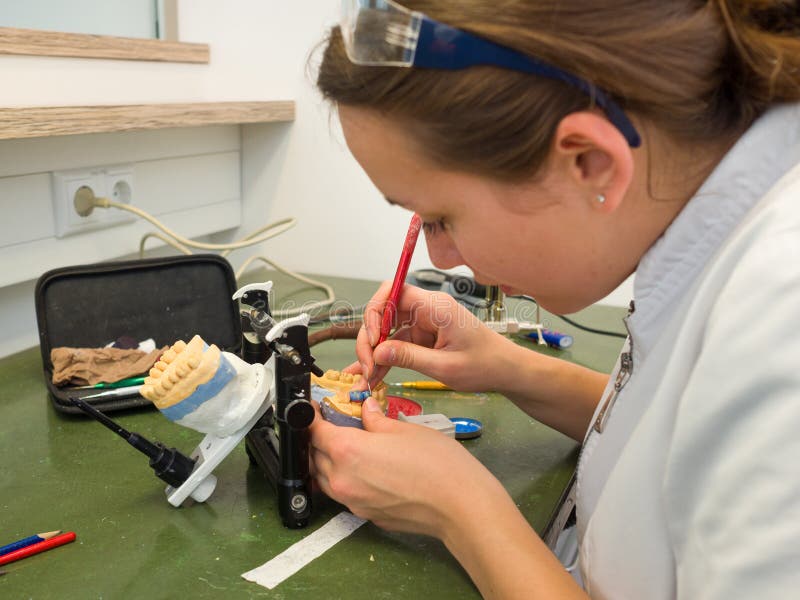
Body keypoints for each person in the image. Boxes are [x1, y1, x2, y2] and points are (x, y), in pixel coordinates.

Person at [308, 1, 800, 598]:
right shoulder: (721, 217)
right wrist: (506, 366)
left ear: (590, 163)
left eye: (440, 218)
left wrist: (461, 510)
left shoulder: (780, 322)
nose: (439, 259)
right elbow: (679, 434)